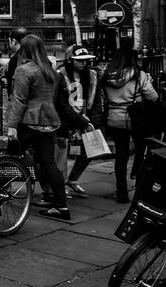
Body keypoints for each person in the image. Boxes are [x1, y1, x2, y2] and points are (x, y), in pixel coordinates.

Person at [5, 35, 69, 220]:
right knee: (49, 164)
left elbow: (19, 100)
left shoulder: (25, 70)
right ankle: (61, 206)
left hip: (30, 121)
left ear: (24, 49)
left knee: (10, 158)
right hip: (49, 122)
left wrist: (11, 125)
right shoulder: (51, 71)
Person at [95, 43, 159, 204]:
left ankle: (122, 192)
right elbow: (153, 97)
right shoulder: (139, 75)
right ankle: (139, 185)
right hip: (136, 119)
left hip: (113, 118)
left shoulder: (106, 76)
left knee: (121, 156)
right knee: (140, 152)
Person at [57, 44, 98, 197]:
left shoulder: (92, 76)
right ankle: (61, 186)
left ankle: (73, 180)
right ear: (69, 60)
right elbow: (61, 104)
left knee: (90, 151)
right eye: (79, 60)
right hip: (67, 121)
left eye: (86, 60)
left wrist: (92, 122)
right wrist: (79, 120)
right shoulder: (61, 75)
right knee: (62, 156)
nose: (83, 63)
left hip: (85, 120)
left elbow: (96, 101)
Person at [0, 26, 30, 93]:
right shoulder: (34, 54)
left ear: (14, 41)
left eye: (9, 40)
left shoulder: (16, 59)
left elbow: (12, 82)